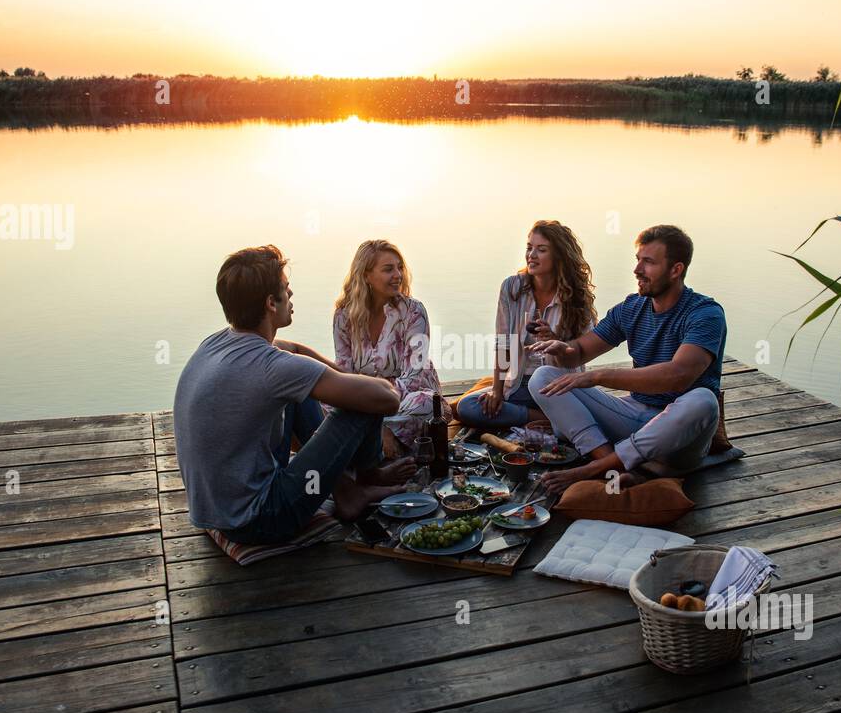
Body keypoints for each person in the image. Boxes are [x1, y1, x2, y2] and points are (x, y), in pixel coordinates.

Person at [174, 245, 413, 545]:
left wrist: (336, 376)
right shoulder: (273, 368)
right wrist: (349, 382)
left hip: (216, 512)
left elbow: (295, 352)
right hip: (262, 519)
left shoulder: (217, 343)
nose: (292, 295)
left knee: (310, 389)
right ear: (271, 304)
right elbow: (387, 398)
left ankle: (346, 489)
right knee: (363, 402)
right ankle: (363, 478)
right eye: (286, 290)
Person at [528, 224, 725, 496]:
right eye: (637, 260)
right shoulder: (632, 308)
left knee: (703, 400)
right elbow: (581, 351)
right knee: (543, 378)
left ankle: (592, 469)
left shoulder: (705, 314)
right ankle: (615, 467)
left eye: (648, 262)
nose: (637, 270)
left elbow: (678, 376)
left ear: (676, 270)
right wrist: (563, 348)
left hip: (681, 437)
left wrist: (598, 376)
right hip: (636, 417)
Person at [456, 220, 597, 430]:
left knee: (582, 416)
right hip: (519, 385)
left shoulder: (577, 298)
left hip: (557, 386)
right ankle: (545, 419)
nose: (531, 255)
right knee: (468, 407)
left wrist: (555, 341)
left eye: (541, 250)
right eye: (529, 248)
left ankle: (554, 417)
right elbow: (503, 341)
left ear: (559, 256)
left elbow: (585, 349)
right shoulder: (512, 288)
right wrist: (497, 389)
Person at [332, 240, 444, 453]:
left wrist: (372, 402)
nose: (398, 275)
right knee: (321, 403)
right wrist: (361, 400)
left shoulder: (414, 312)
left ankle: (374, 437)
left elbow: (414, 377)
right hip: (362, 398)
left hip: (406, 396)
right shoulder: (343, 316)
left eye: (399, 267)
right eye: (388, 269)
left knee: (426, 404)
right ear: (366, 275)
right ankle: (382, 438)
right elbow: (344, 371)